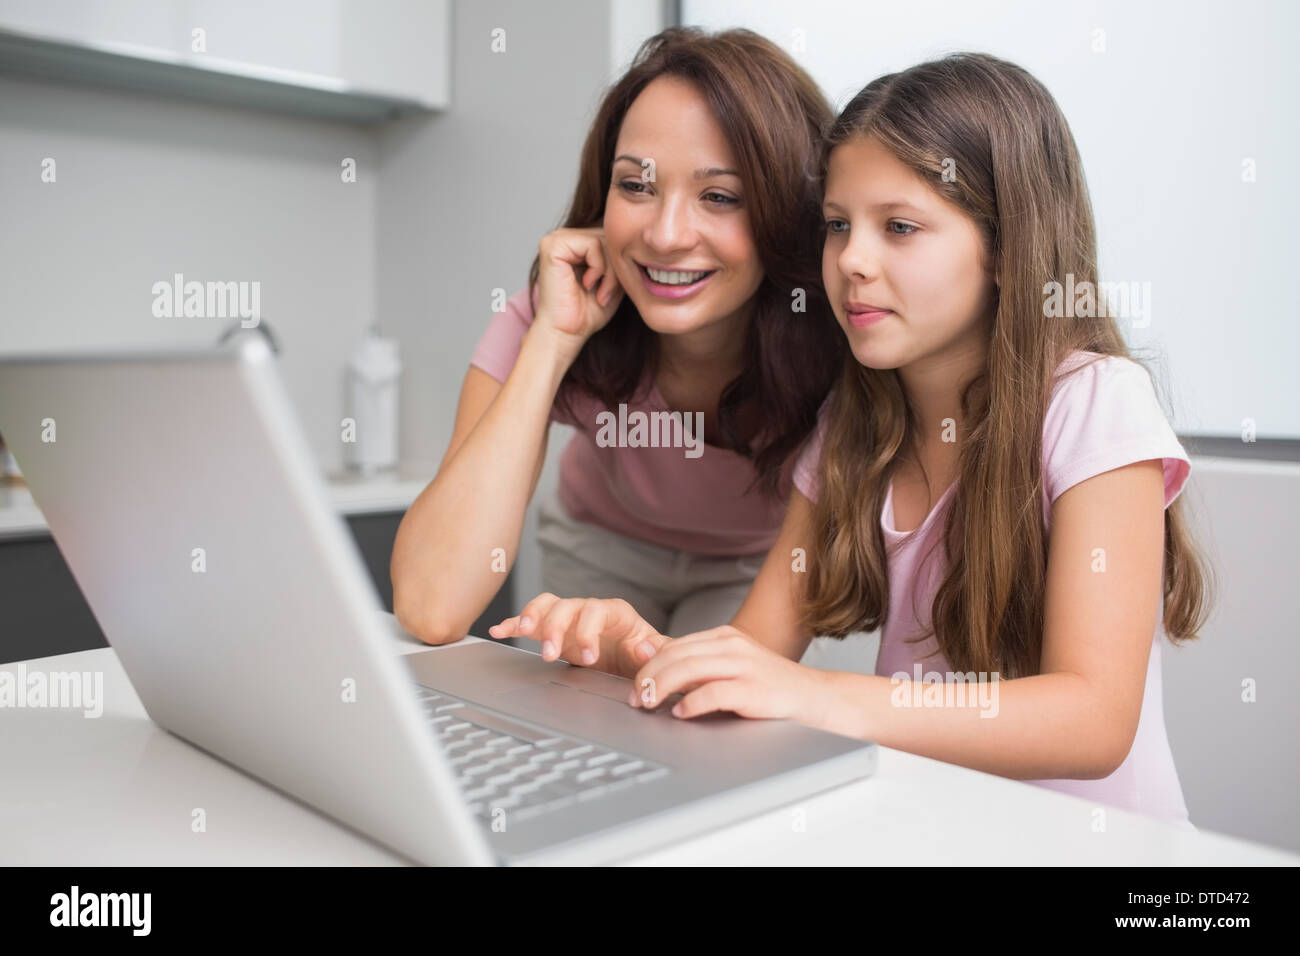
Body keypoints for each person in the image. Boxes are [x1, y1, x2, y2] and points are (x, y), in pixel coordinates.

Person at [489, 52, 1215, 827]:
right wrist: (635, 645)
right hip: (932, 832)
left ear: (1006, 248)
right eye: (838, 226)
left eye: (899, 227)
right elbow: (755, 658)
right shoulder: (857, 423)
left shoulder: (1094, 404)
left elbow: (1092, 721)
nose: (852, 261)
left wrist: (820, 696)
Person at [392, 27, 843, 646]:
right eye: (636, 185)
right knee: (576, 724)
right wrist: (551, 341)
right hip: (600, 545)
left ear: (787, 209)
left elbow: (736, 681)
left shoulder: (836, 345)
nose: (664, 235)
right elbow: (430, 605)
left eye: (719, 196)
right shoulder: (552, 308)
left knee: (705, 731)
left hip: (755, 564)